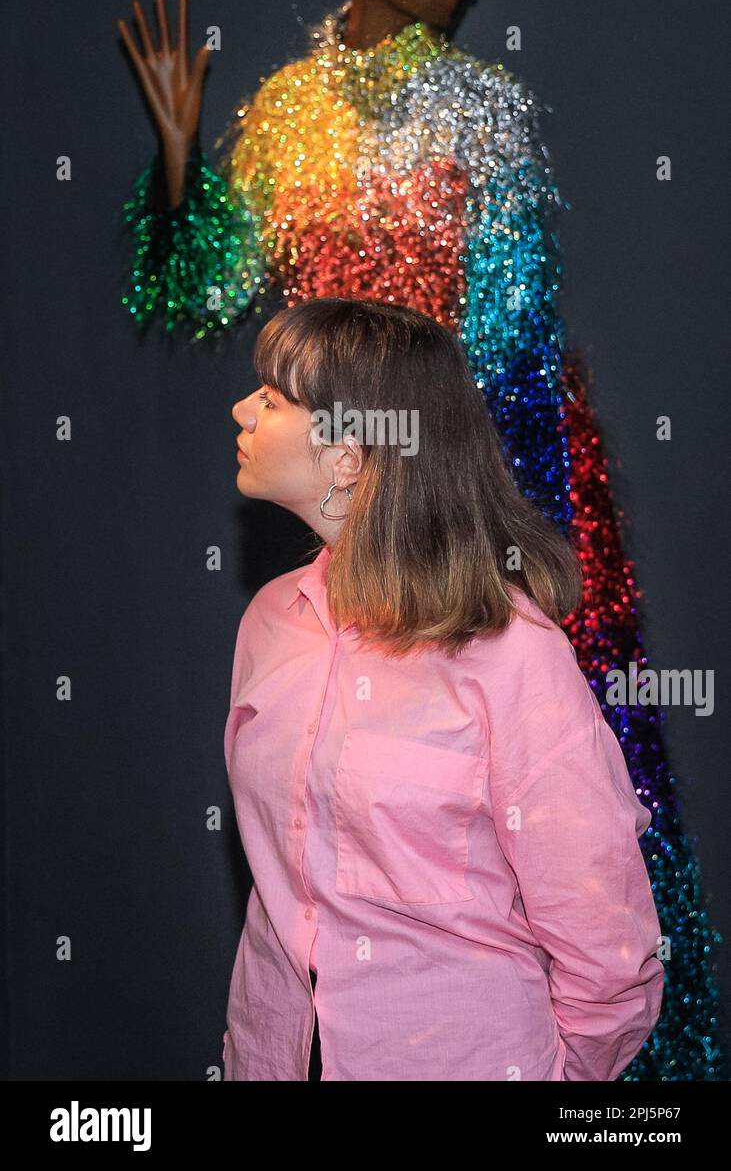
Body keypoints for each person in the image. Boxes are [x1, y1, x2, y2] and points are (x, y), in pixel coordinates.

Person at [221, 295, 664, 1082]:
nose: (242, 410)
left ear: (349, 456)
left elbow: (605, 943)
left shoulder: (510, 653)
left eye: (274, 398)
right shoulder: (270, 621)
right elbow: (285, 890)